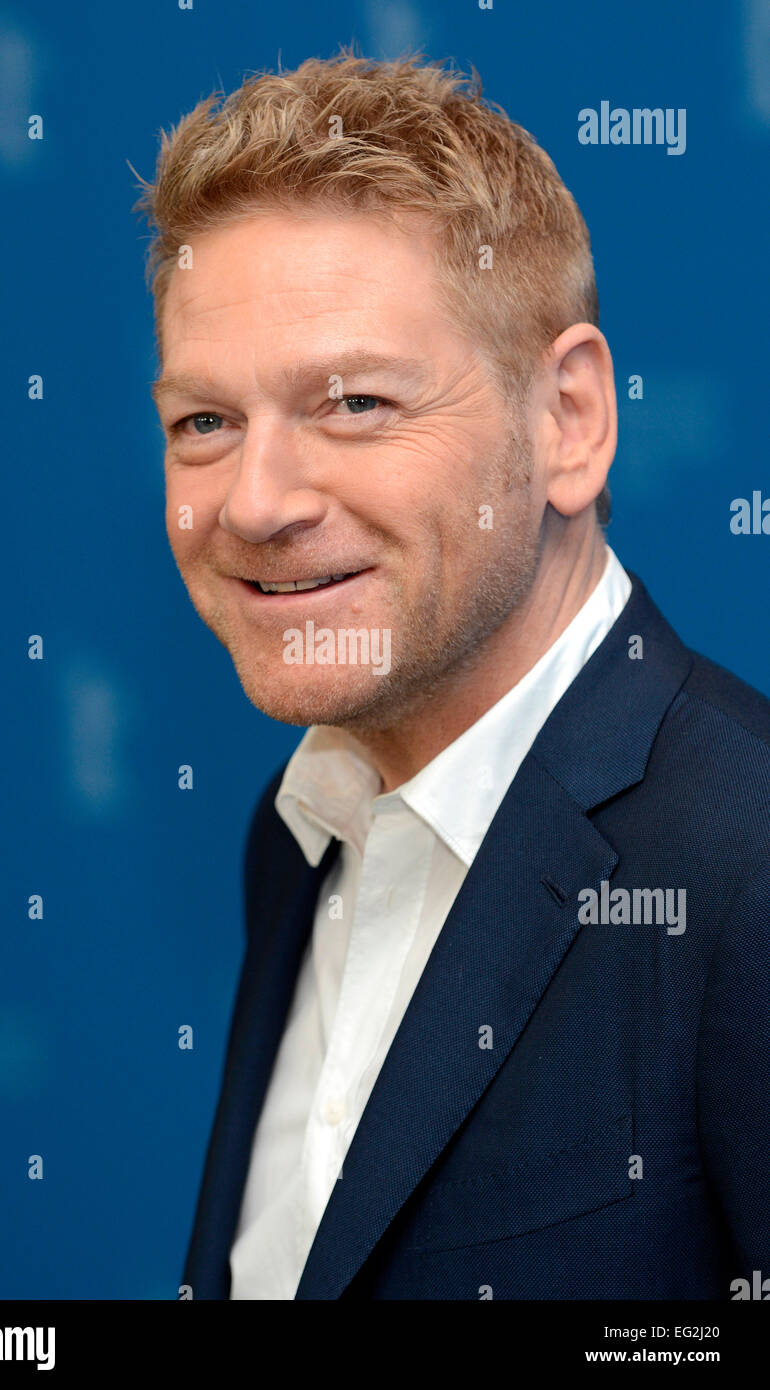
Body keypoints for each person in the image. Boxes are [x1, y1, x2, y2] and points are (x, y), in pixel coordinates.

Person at [134, 50, 770, 1299]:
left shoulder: (743, 869)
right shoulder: (296, 831)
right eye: (203, 422)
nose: (254, 503)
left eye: (356, 402)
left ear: (568, 420)